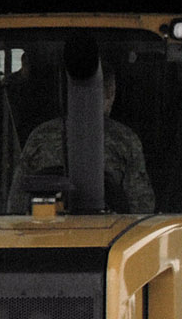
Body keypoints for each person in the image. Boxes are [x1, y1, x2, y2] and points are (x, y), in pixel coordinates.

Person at [10, 68, 157, 213]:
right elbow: (141, 208)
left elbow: (16, 206)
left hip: (46, 231)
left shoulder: (40, 136)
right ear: (110, 91)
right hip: (108, 234)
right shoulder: (125, 139)